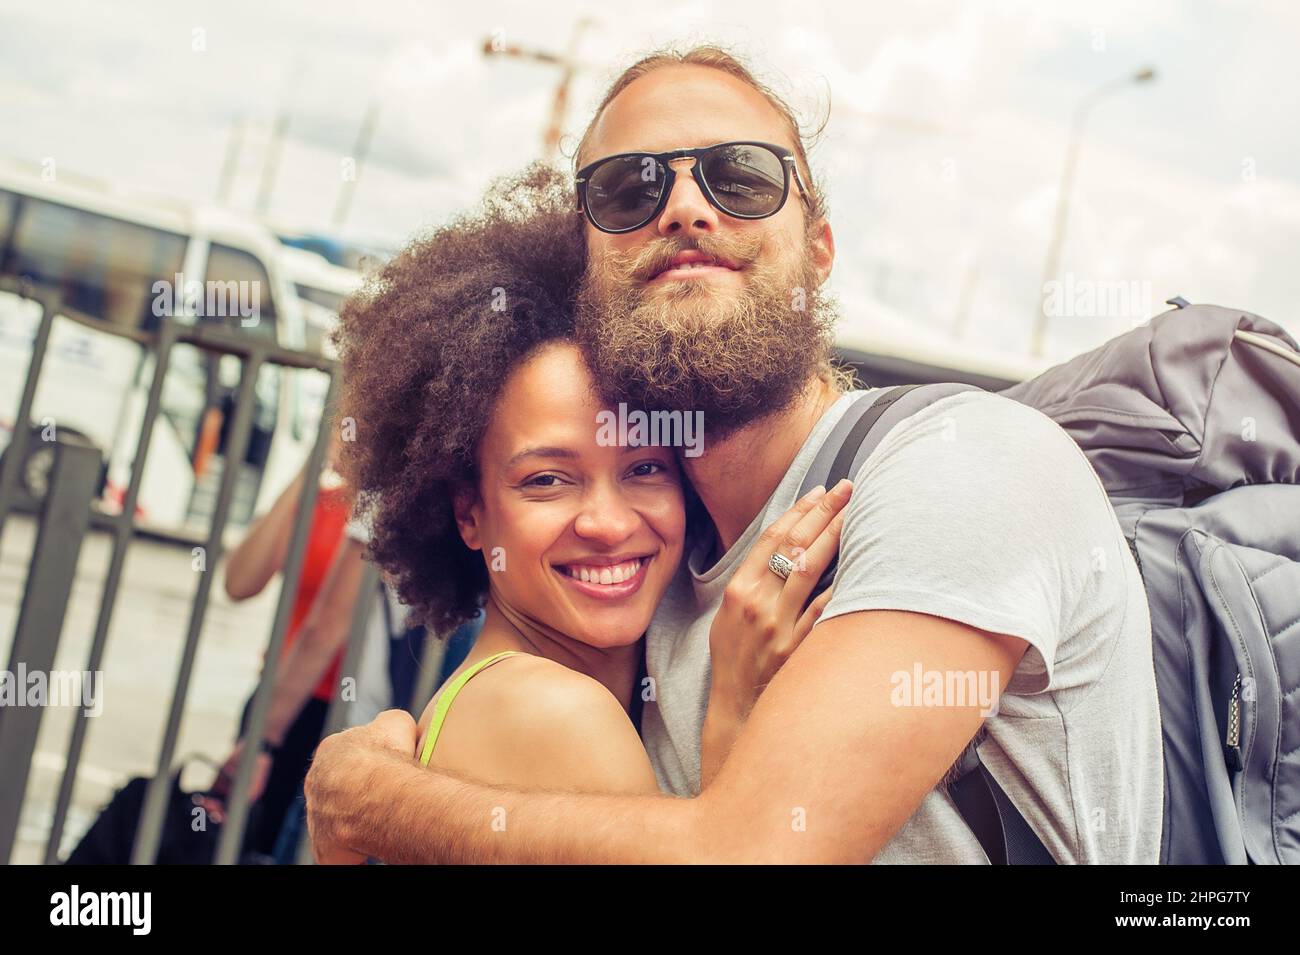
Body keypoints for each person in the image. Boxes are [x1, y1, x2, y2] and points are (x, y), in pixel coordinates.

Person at [306, 44, 1163, 864]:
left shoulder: (962, 464)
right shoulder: (658, 575)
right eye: (627, 189)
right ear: (587, 265)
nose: (684, 206)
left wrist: (372, 797)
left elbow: (750, 850)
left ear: (819, 251)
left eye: (742, 175)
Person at [326, 169, 845, 803]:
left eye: (644, 468)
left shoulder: (562, 693)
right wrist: (735, 710)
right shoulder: (553, 712)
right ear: (468, 514)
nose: (607, 522)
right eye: (546, 480)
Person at [212, 432, 363, 857]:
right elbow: (239, 581)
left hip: (344, 715)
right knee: (243, 841)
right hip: (279, 699)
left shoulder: (387, 516)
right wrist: (307, 470)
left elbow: (328, 626)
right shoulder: (320, 504)